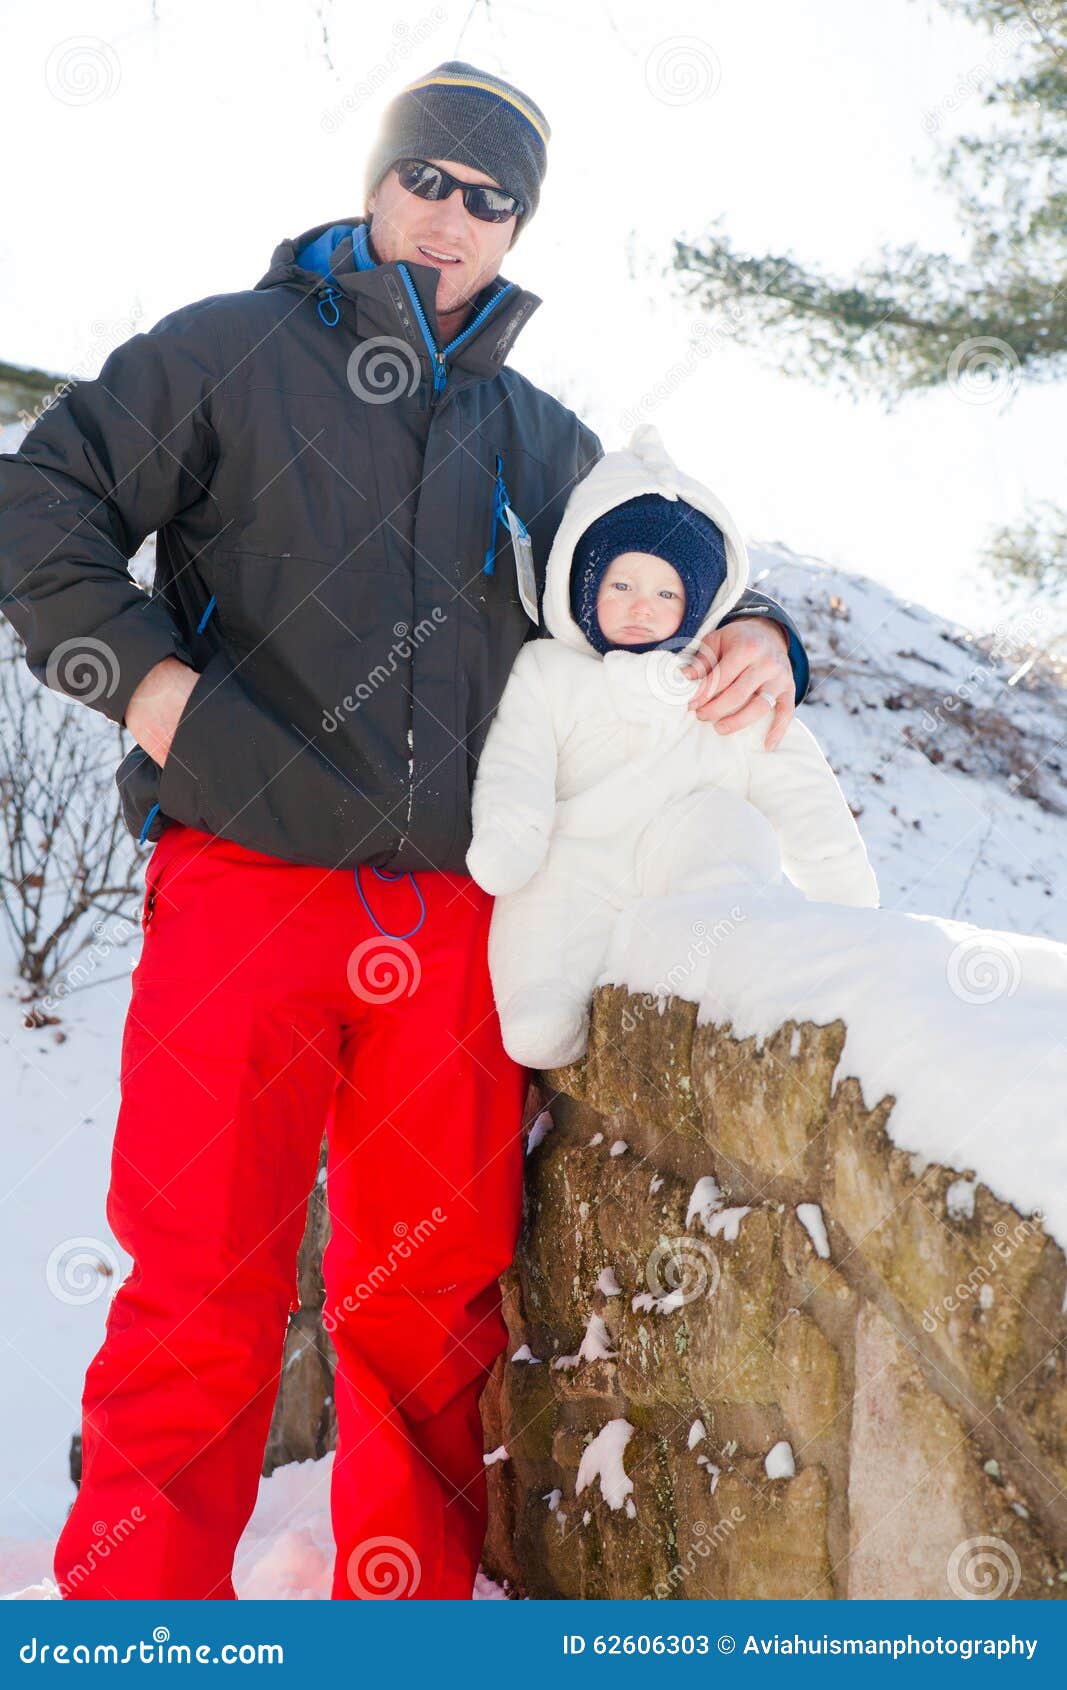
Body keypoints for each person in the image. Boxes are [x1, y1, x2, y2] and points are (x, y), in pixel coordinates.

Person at [0, 63, 813, 1601]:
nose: (447, 215)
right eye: (424, 179)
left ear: (514, 232)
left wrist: (759, 624)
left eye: (484, 198)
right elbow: (37, 504)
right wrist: (157, 693)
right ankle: (137, 1623)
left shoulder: (528, 428)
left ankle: (406, 1626)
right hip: (244, 877)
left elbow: (673, 555)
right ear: (375, 185)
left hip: (446, 916)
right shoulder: (225, 353)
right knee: (201, 1284)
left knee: (429, 1304)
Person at [466, 425, 879, 1069]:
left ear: (699, 607)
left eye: (667, 593)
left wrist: (845, 894)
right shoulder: (548, 672)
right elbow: (515, 762)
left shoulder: (720, 682)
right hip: (575, 859)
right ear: (580, 585)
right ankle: (541, 998)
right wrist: (511, 834)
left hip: (688, 862)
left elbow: (796, 787)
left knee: (724, 832)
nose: (640, 609)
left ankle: (718, 960)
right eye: (620, 585)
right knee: (542, 939)